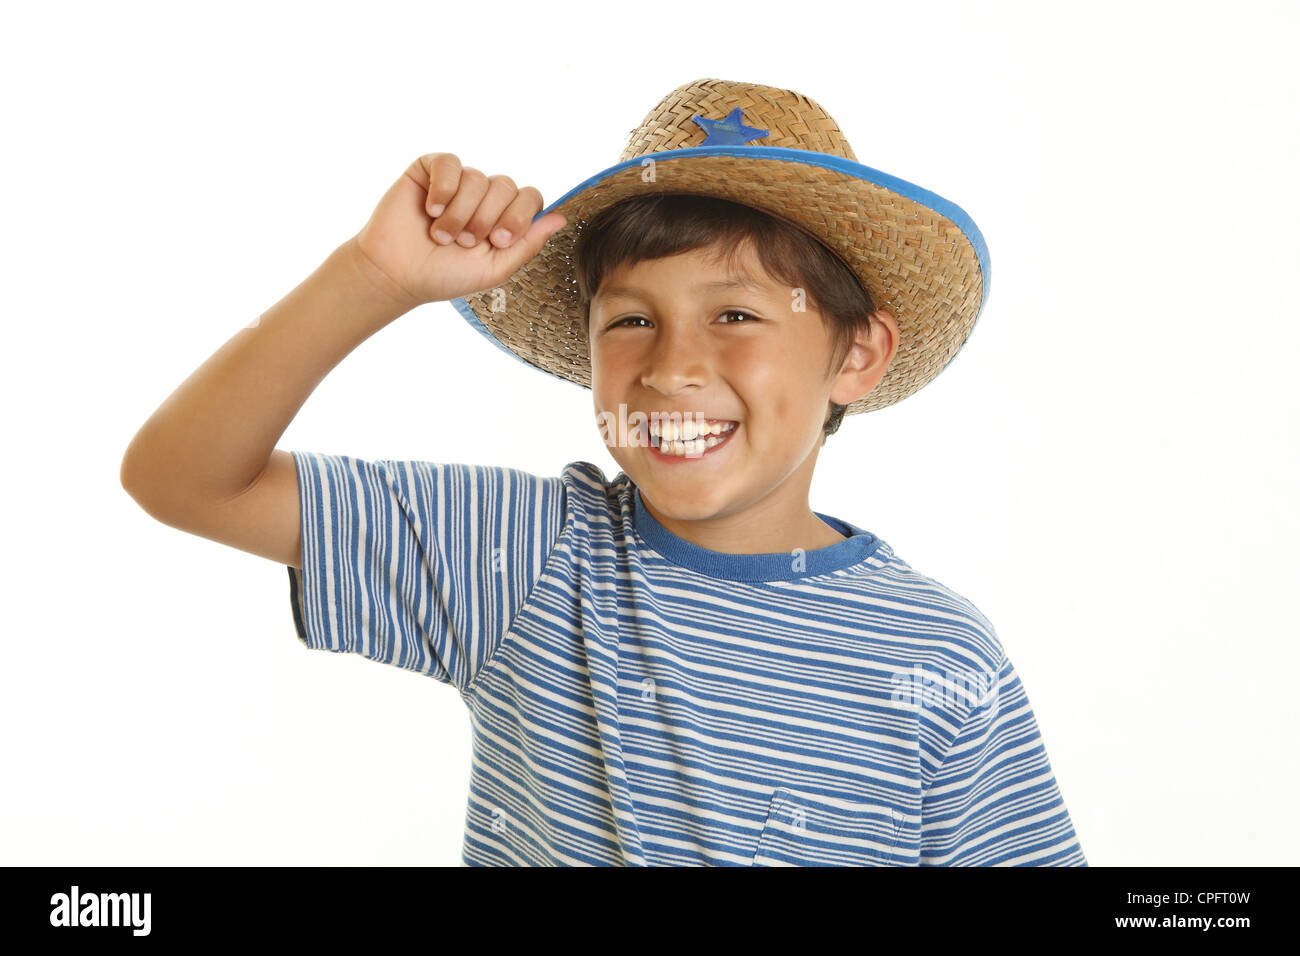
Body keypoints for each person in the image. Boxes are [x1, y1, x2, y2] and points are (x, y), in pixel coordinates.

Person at [121, 77, 1086, 866]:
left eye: (736, 315)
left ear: (858, 355)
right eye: (630, 320)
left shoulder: (941, 656)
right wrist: (373, 278)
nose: (669, 367)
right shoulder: (529, 558)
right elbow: (183, 477)